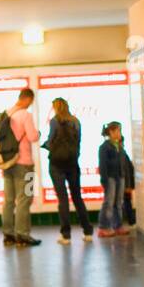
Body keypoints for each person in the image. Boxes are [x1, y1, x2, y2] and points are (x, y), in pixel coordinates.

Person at [42, 96, 93, 245]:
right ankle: (88, 232)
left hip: (56, 164)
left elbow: (51, 141)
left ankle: (66, 236)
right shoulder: (75, 121)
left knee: (63, 200)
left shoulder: (54, 121)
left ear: (56, 107)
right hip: (72, 163)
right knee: (77, 197)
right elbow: (79, 142)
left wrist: (45, 145)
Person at [2, 87, 41, 247]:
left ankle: (8, 235)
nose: (30, 104)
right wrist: (38, 133)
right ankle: (23, 235)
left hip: (7, 163)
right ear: (27, 99)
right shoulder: (26, 115)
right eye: (31, 101)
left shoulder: (7, 113)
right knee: (25, 198)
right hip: (25, 164)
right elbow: (32, 137)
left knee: (9, 200)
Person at [98, 121, 129, 238]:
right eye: (116, 131)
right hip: (110, 178)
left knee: (118, 202)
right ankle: (103, 227)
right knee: (109, 203)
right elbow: (103, 165)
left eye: (119, 131)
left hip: (120, 177)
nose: (118, 133)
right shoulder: (104, 147)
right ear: (110, 132)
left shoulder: (119, 146)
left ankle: (118, 225)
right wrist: (104, 179)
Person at [120, 135, 136, 228]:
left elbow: (128, 171)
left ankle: (131, 221)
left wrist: (128, 185)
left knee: (126, 202)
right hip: (125, 184)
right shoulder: (123, 154)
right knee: (126, 203)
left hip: (125, 184)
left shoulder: (123, 154)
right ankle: (131, 221)